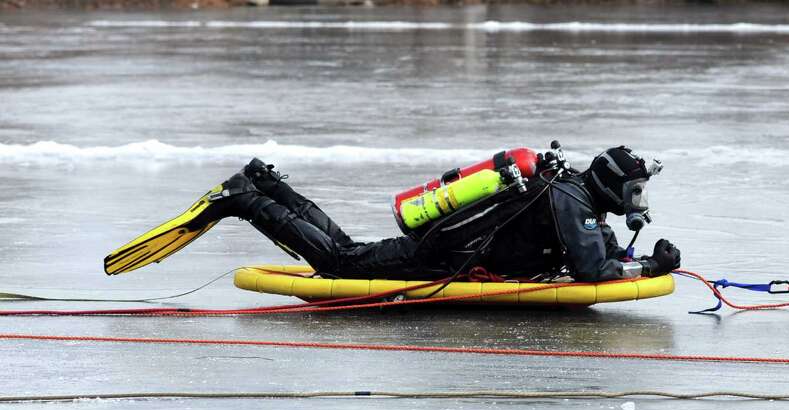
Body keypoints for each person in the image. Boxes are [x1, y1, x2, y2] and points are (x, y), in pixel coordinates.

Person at [103, 145, 683, 284]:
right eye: (634, 191)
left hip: (451, 246)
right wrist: (651, 268)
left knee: (351, 250)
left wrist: (632, 258)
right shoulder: (573, 203)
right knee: (340, 264)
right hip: (445, 256)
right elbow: (591, 270)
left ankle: (266, 183)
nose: (637, 201)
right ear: (613, 185)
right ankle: (244, 199)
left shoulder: (572, 193)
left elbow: (596, 248)